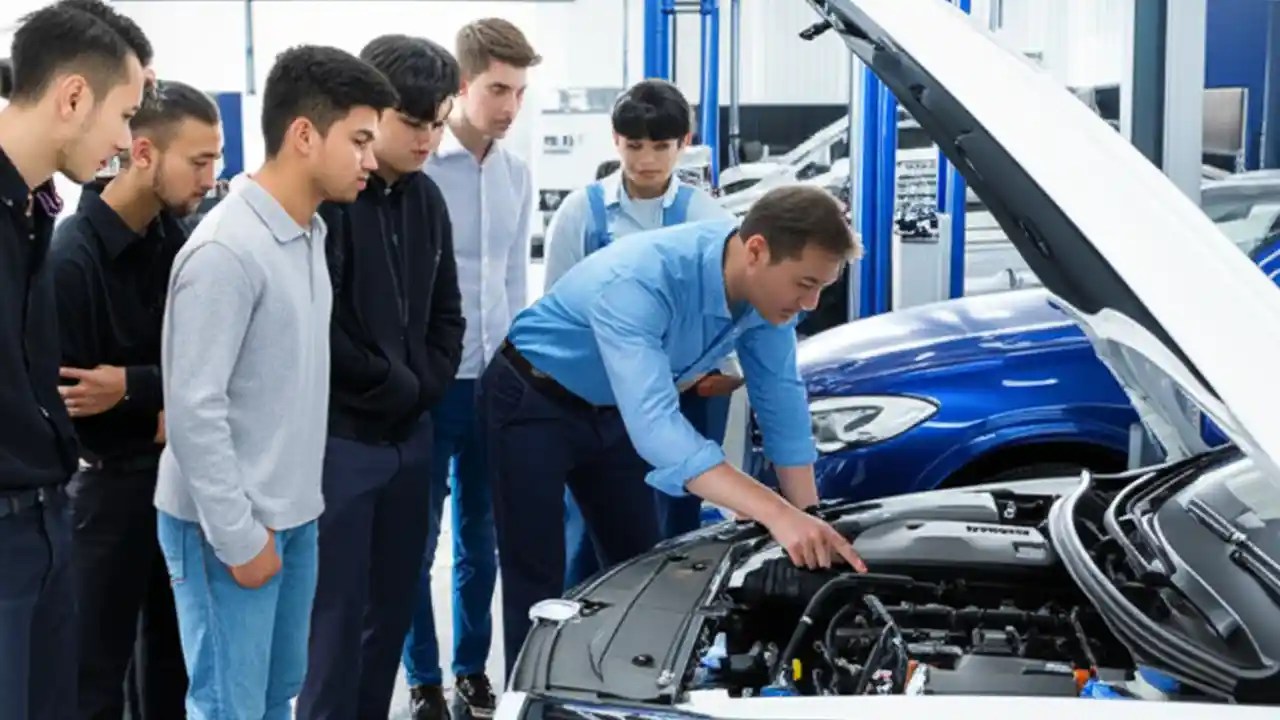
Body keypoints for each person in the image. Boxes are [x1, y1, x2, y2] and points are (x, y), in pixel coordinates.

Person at [481, 185, 869, 673]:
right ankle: (530, 698)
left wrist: (809, 516)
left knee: (642, 565)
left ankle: (626, 691)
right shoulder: (643, 280)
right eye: (805, 283)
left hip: (612, 409)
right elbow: (659, 431)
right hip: (532, 398)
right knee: (536, 574)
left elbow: (781, 403)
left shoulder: (766, 295)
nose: (811, 303)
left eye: (822, 289)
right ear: (757, 251)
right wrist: (777, 514)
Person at [153, 45, 396, 720]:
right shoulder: (226, 250)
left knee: (271, 696)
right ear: (304, 135)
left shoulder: (309, 231)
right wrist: (238, 536)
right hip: (226, 525)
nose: (370, 161)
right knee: (229, 705)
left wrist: (289, 522)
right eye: (360, 140)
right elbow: (193, 410)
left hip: (291, 514)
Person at [296, 35, 464, 720]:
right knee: (333, 623)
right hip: (341, 442)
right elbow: (323, 330)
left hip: (412, 440)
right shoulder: (332, 202)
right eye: (412, 122)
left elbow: (448, 313)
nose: (427, 139)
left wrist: (425, 385)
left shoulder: (428, 201)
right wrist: (399, 384)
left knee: (393, 606)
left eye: (437, 123)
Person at [51, 79, 220, 720]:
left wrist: (132, 387)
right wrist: (164, 412)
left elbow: (206, 373)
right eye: (199, 161)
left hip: (176, 481)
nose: (212, 177)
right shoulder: (74, 257)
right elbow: (77, 404)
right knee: (95, 672)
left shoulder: (177, 244)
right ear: (144, 152)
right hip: (104, 495)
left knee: (174, 663)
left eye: (216, 159)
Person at [0, 6, 146, 718]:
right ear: (73, 98)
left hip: (49, 518)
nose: (126, 142)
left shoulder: (33, 211)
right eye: (124, 115)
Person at [541, 79, 735, 589]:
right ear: (614, 140)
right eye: (634, 145)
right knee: (585, 533)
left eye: (661, 146)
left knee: (674, 530)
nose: (647, 159)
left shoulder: (707, 217)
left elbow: (728, 313)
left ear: (684, 142)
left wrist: (711, 375)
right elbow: (556, 313)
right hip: (598, 401)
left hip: (685, 398)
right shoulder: (581, 214)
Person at [402, 18, 539, 719]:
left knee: (481, 538)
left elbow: (515, 280)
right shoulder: (418, 169)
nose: (510, 106)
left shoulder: (517, 173)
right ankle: (421, 676)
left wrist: (515, 370)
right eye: (497, 89)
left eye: (518, 90)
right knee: (415, 538)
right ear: (461, 86)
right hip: (427, 387)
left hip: (494, 382)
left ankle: (470, 670)